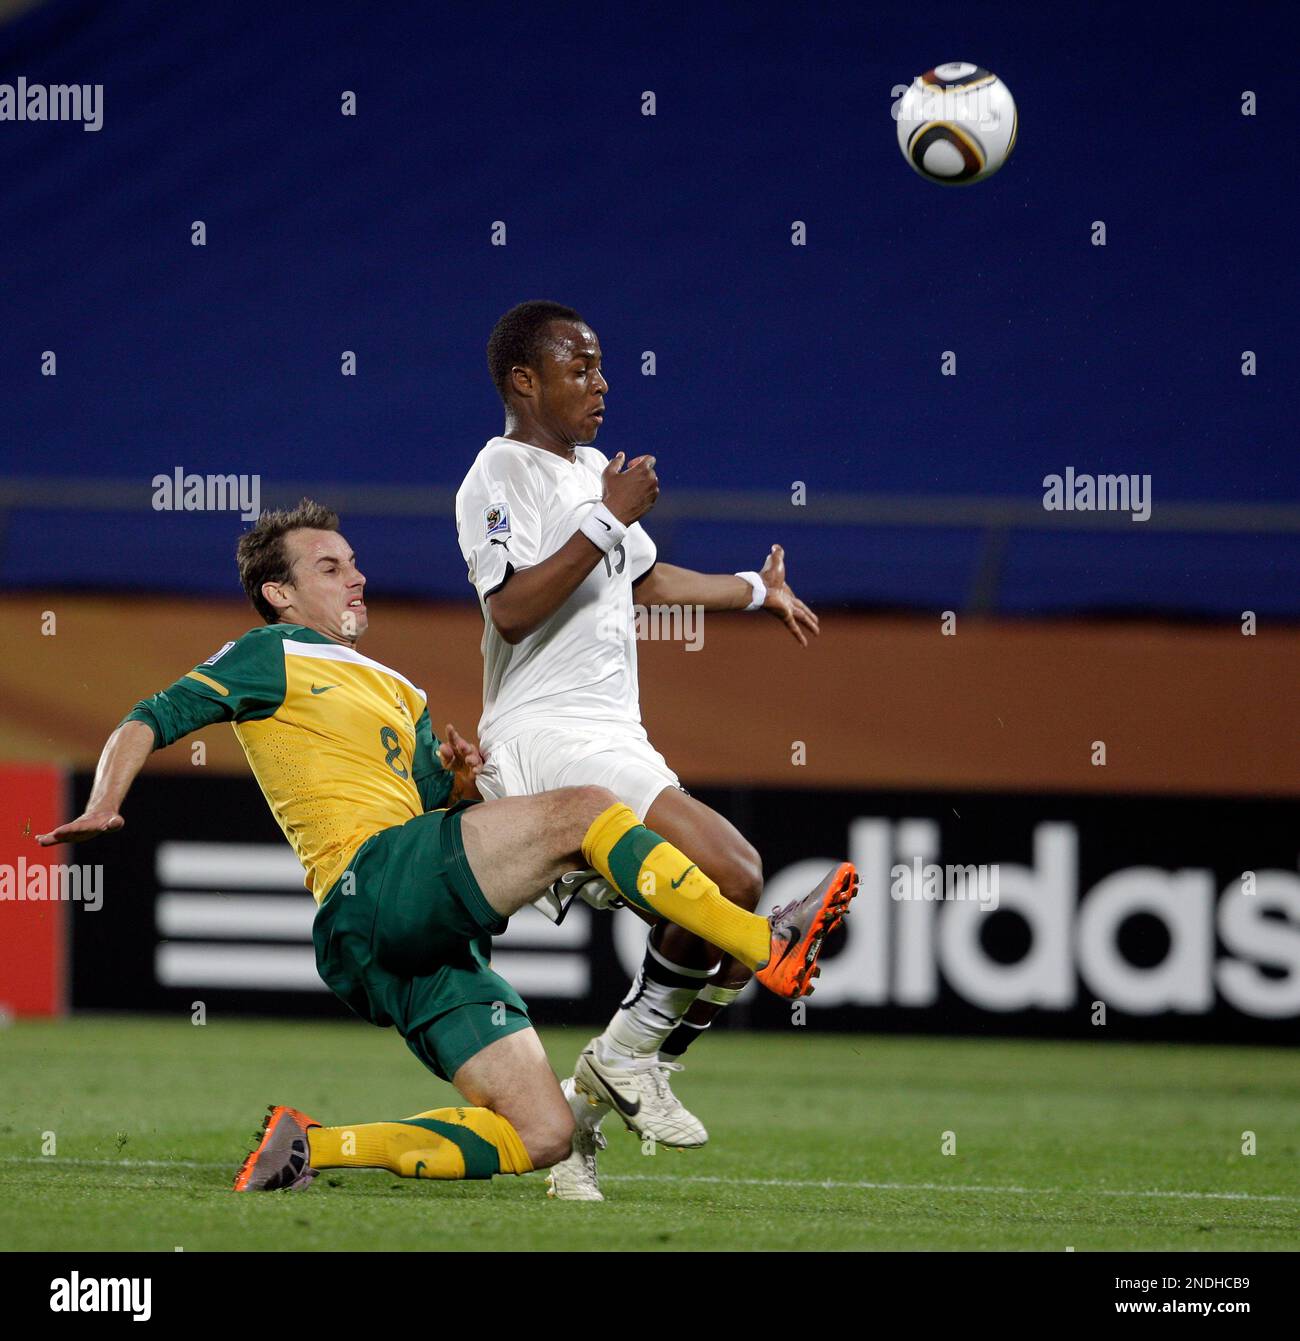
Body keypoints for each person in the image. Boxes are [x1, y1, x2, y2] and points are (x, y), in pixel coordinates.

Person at [36, 499, 854, 1193]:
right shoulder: (269, 654)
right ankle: (759, 942)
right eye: (329, 567)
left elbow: (443, 816)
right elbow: (151, 714)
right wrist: (107, 800)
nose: (355, 576)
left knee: (543, 1134)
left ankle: (307, 1146)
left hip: (406, 934)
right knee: (584, 812)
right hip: (375, 879)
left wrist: (459, 783)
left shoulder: (402, 692)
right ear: (278, 592)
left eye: (353, 561)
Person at [455, 301, 857, 1200]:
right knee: (735, 873)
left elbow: (639, 578)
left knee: (733, 886)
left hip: (613, 731)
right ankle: (632, 1056)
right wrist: (603, 517)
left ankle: (593, 1101)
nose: (603, 385)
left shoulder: (595, 472)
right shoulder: (497, 473)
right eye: (581, 369)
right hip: (547, 730)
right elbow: (511, 607)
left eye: (602, 368)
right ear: (524, 380)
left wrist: (757, 588)